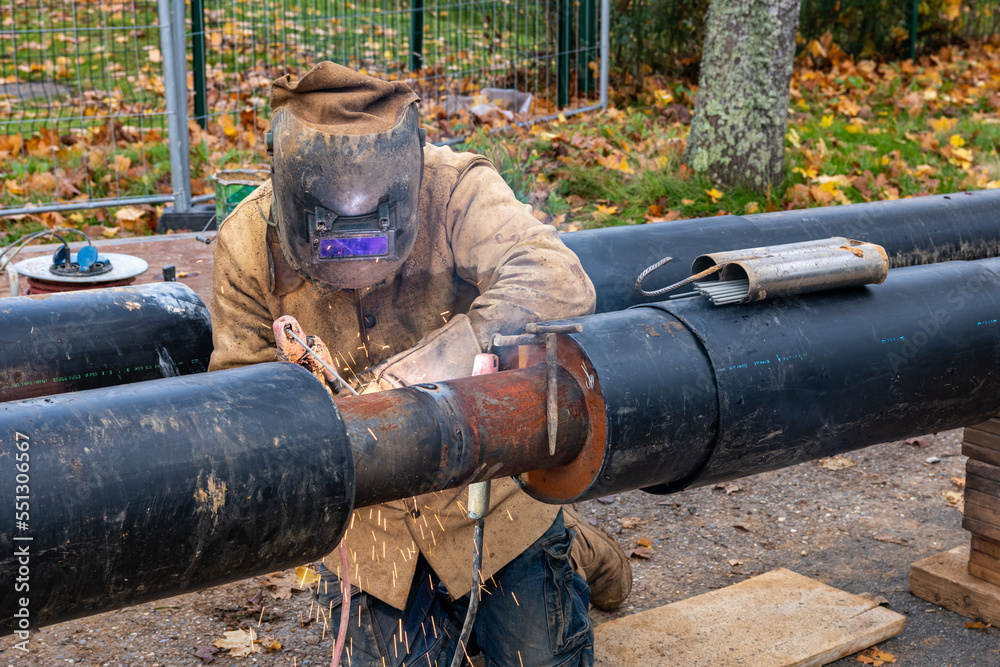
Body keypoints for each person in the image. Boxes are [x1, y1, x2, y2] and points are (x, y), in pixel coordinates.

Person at [208, 62, 630, 666]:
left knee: (544, 656)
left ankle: (572, 548)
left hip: (489, 491)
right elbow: (237, 397)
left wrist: (453, 353)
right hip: (369, 529)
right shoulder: (248, 241)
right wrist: (305, 414)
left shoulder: (454, 188)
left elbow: (558, 277)